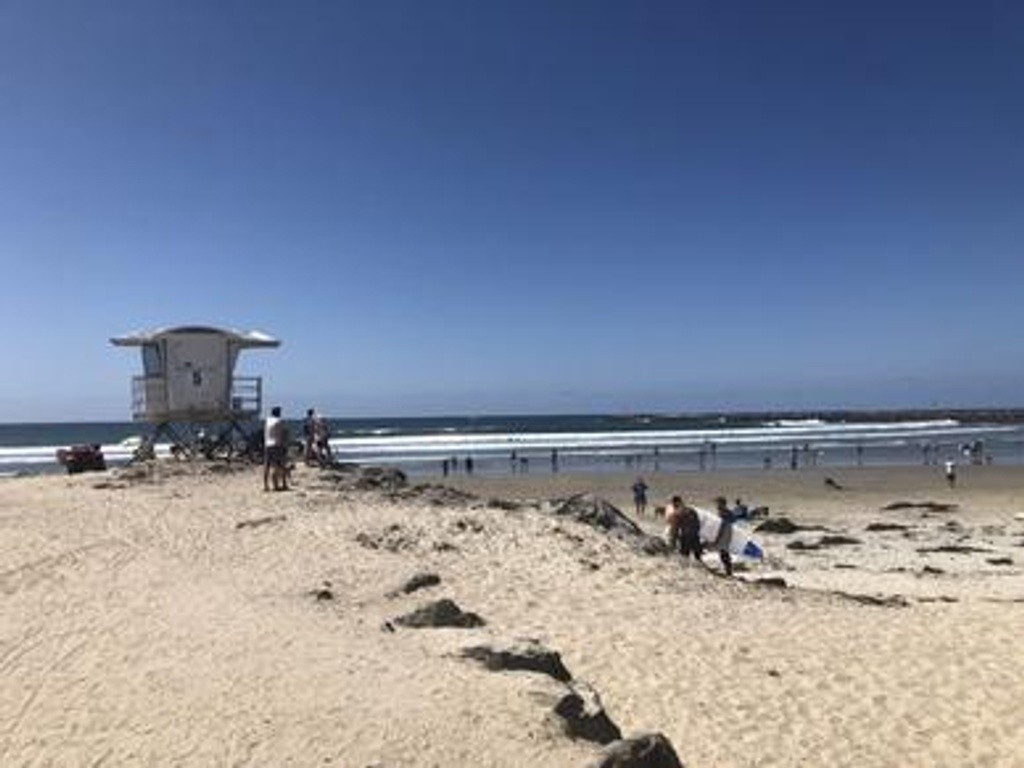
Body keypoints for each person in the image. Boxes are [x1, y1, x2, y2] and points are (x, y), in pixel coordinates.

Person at [665, 495, 702, 562]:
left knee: (685, 555)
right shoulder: (691, 510)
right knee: (697, 555)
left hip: (686, 535)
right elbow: (698, 523)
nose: (672, 505)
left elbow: (674, 528)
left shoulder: (677, 513)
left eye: (673, 503)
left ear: (676, 502)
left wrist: (673, 542)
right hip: (695, 535)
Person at [263, 406, 290, 491]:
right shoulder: (279, 421)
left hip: (267, 444)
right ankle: (277, 485)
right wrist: (286, 444)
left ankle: (266, 485)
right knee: (278, 465)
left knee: (267, 465)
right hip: (277, 445)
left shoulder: (267, 421)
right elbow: (284, 433)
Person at [709, 496, 735, 576]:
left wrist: (717, 537)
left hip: (724, 535)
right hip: (727, 534)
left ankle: (729, 572)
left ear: (722, 504)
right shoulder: (727, 512)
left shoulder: (723, 513)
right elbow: (733, 520)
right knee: (724, 553)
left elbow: (721, 526)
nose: (716, 505)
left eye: (717, 503)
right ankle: (729, 571)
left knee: (724, 554)